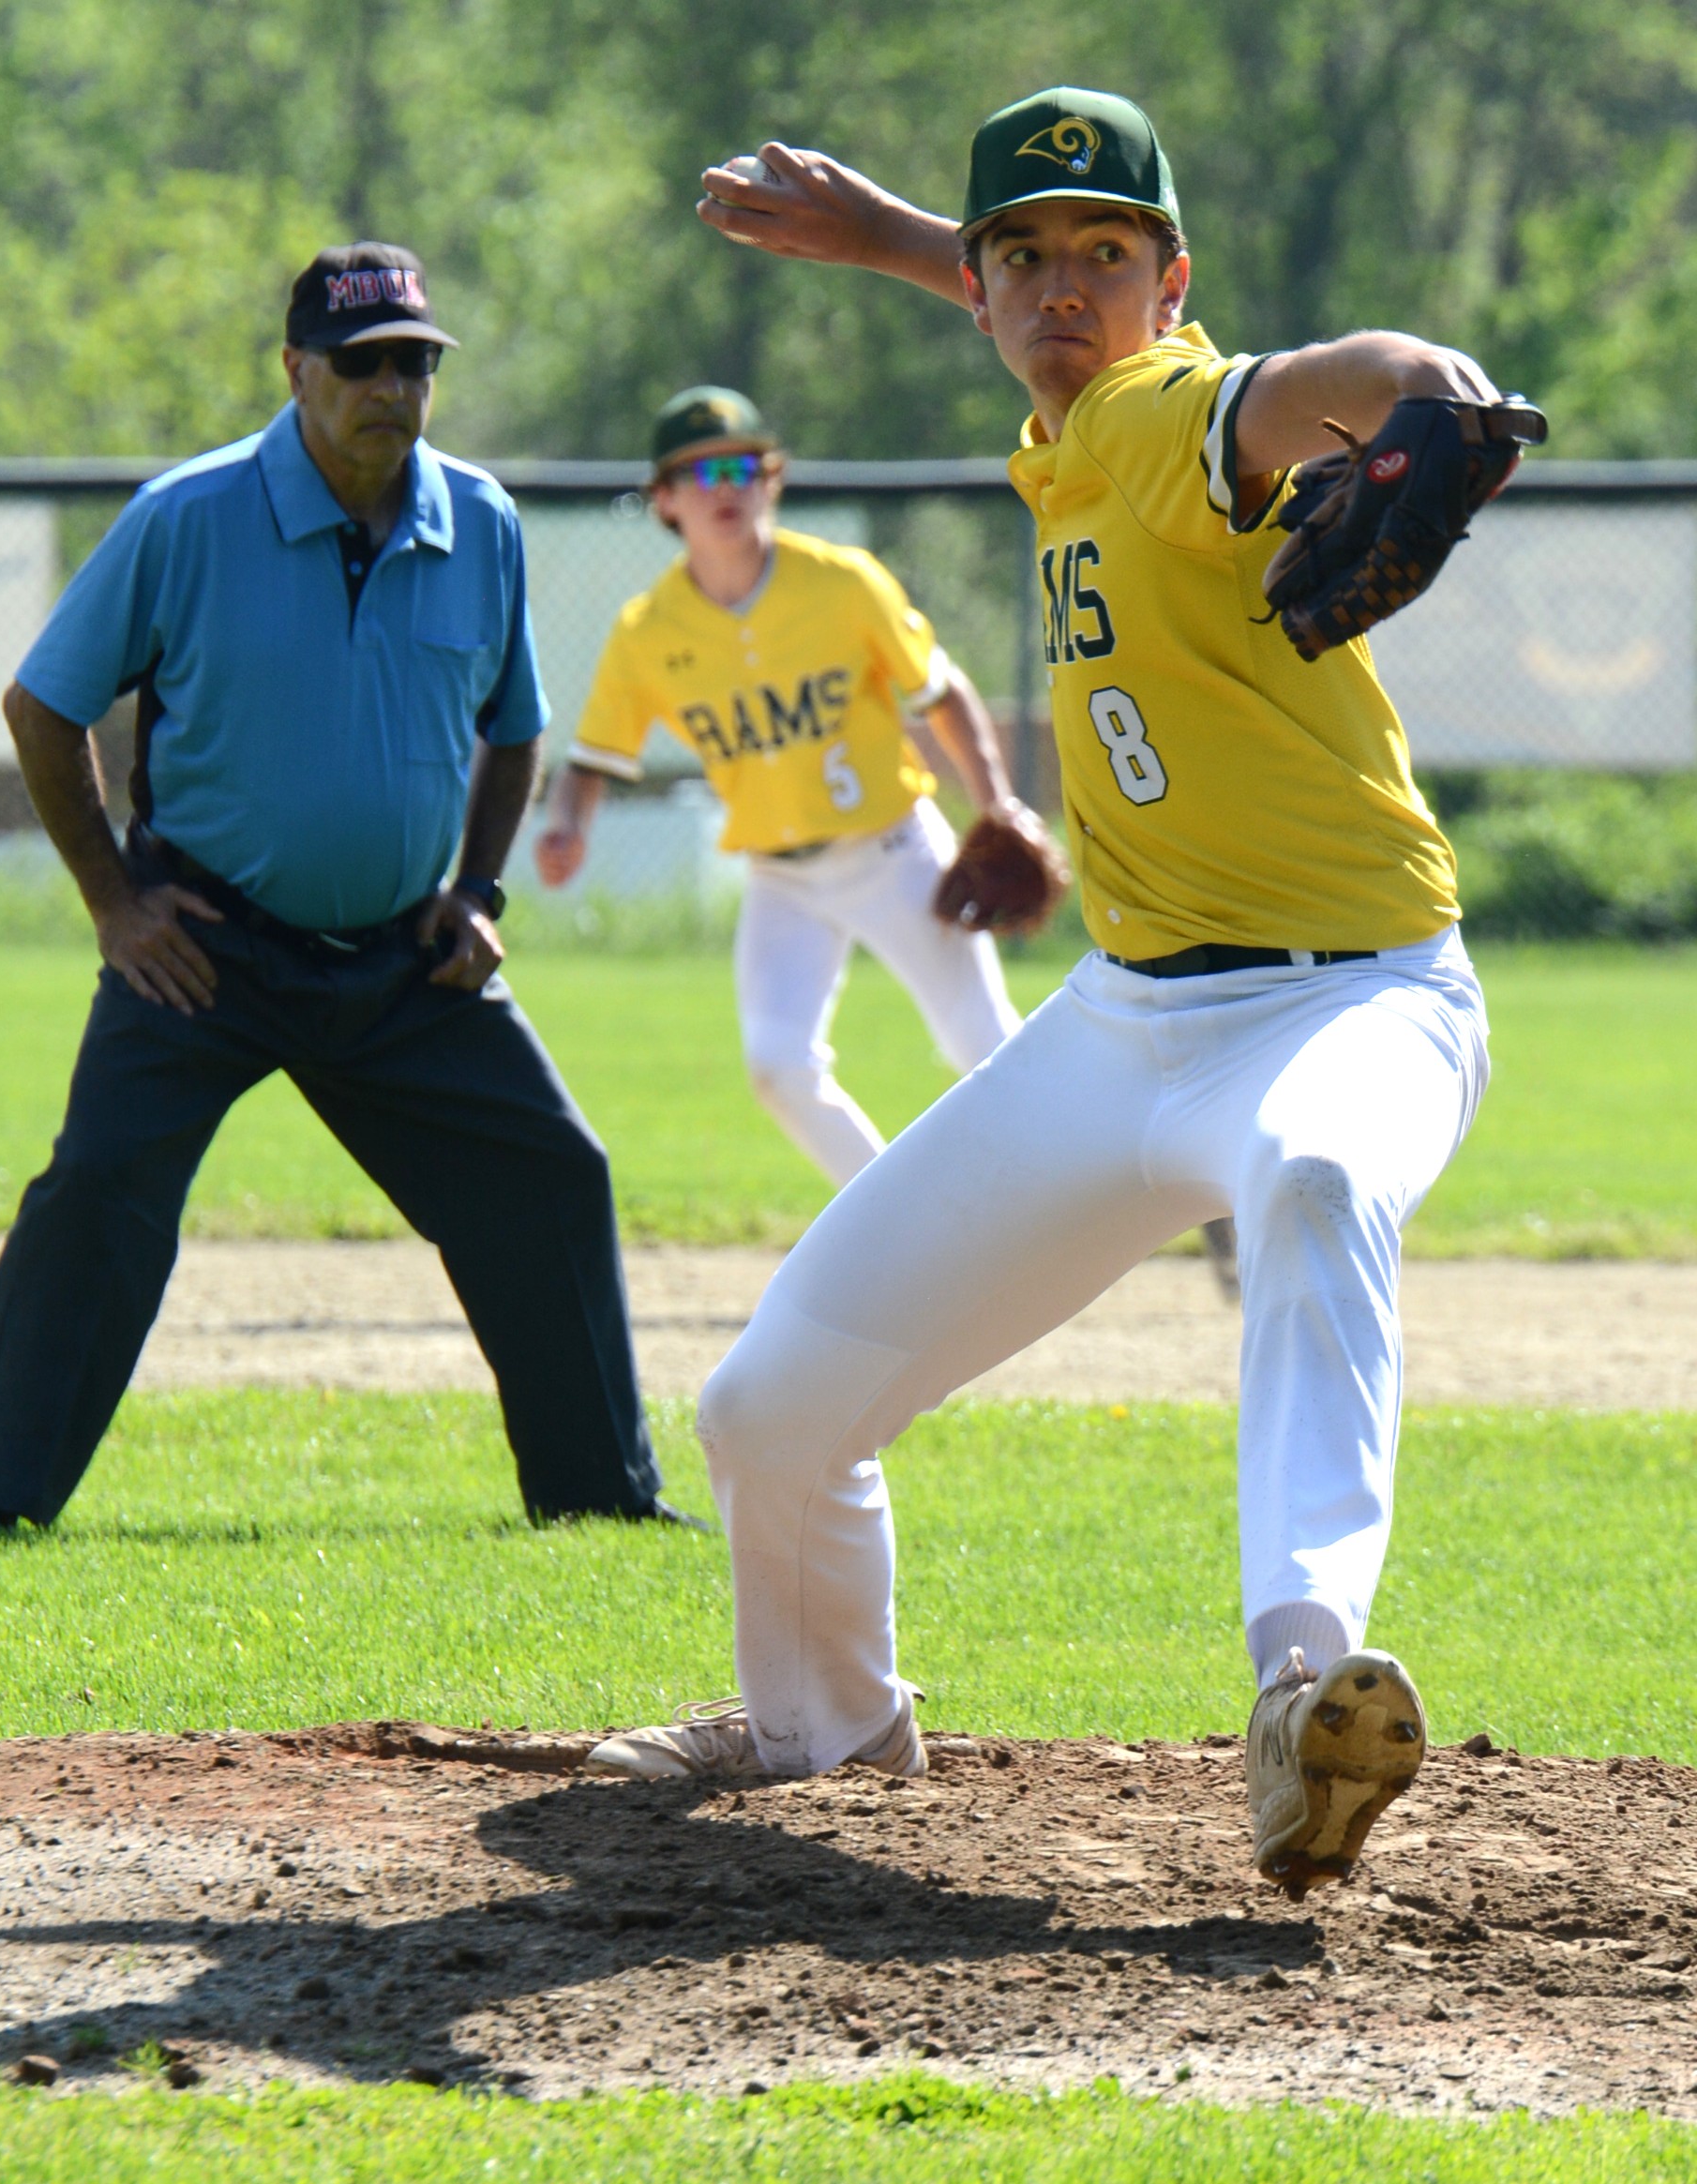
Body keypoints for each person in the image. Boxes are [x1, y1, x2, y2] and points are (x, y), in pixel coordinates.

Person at [589, 93, 1497, 1896]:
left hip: (1356, 1001)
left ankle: (1303, 1691)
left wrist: (1435, 396)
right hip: (1124, 1021)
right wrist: (887, 237)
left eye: (1105, 253)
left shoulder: (1165, 411)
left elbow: (1362, 375)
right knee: (768, 1412)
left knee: (1316, 1175)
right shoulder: (1072, 418)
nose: (1058, 287)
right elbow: (1038, 308)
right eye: (1020, 255)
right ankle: (826, 1724)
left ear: (1177, 284)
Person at [0, 242, 688, 1539]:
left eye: (415, 363)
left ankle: (599, 1500)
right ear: (295, 369)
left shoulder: (480, 521)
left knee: (550, 1171)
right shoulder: (187, 515)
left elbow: (514, 729)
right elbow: (42, 706)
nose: (391, 387)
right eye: (360, 362)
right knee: (99, 1192)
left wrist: (479, 891)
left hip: (404, 957)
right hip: (206, 948)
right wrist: (115, 905)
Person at [534, 386, 1023, 1187]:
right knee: (777, 1066)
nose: (723, 488)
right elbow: (593, 757)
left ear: (773, 478)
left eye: (741, 467)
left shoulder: (842, 581)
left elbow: (942, 692)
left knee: (988, 1046)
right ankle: (893, 1218)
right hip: (780, 877)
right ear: (664, 500)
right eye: (699, 473)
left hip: (895, 850)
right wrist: (568, 825)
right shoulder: (647, 631)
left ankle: (1121, 1198)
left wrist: (996, 802)